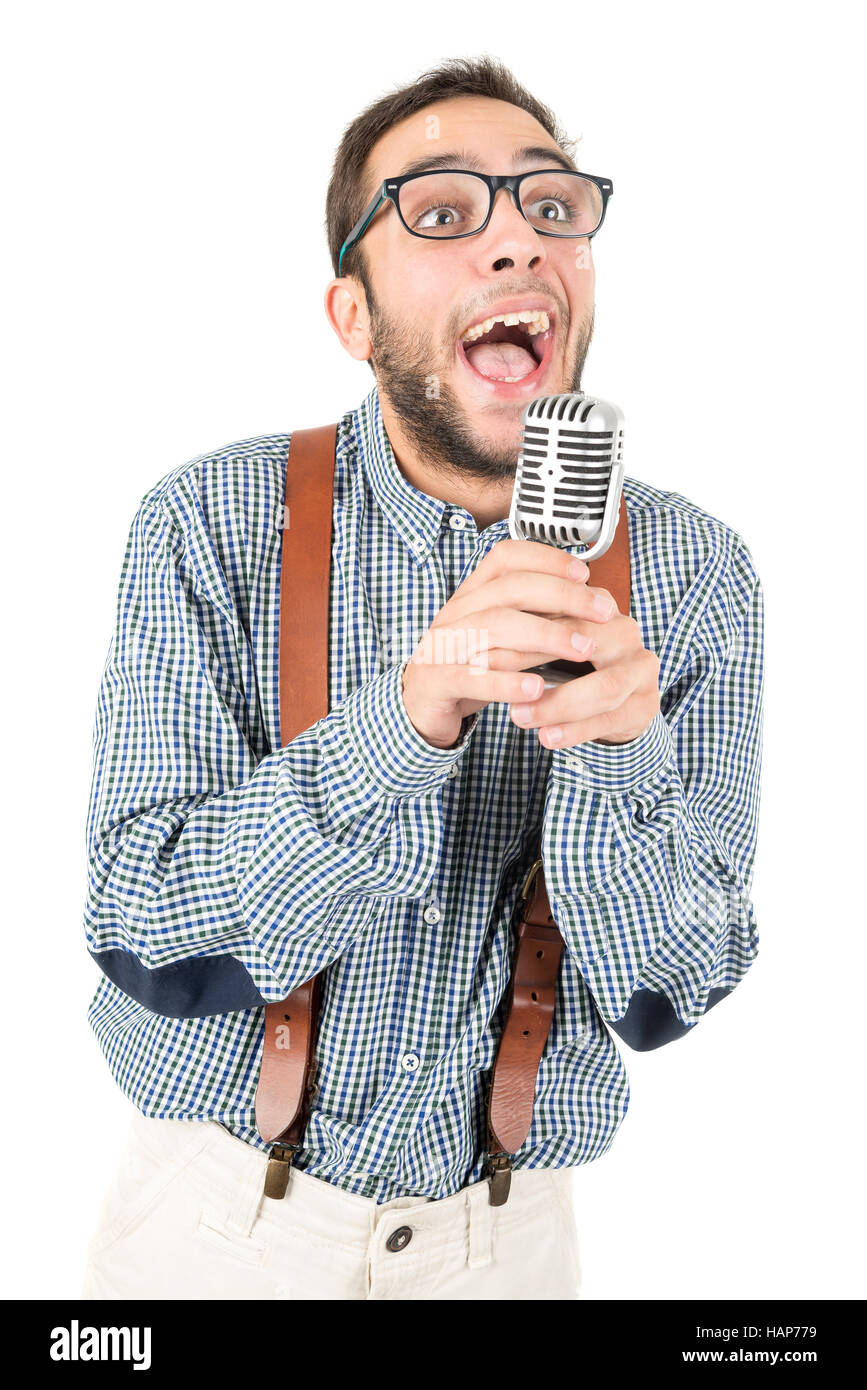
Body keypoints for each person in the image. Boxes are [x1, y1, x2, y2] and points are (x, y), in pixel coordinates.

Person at [79, 55, 764, 1301]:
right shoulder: (210, 522)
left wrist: (622, 760)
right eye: (444, 214)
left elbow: (676, 985)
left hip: (507, 1248)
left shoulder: (698, 575)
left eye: (552, 207)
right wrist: (402, 721)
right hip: (215, 1232)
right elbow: (139, 920)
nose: (516, 243)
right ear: (354, 315)